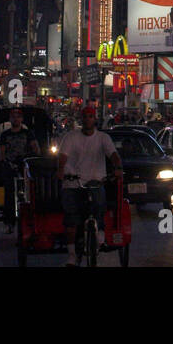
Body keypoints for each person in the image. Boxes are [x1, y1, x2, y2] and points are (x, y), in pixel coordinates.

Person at [56, 105, 121, 267]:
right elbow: (63, 156)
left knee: (100, 205)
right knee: (71, 219)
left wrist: (118, 168)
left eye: (90, 117)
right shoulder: (70, 137)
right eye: (85, 117)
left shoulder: (103, 138)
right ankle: (71, 255)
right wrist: (61, 170)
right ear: (81, 119)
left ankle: (99, 234)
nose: (87, 120)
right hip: (73, 183)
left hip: (95, 182)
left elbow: (113, 154)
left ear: (95, 119)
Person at [0, 107, 39, 228]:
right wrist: (5, 160)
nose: (16, 119)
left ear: (22, 119)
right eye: (13, 117)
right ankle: (8, 221)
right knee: (9, 192)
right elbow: (2, 151)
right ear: (10, 119)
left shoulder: (27, 133)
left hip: (24, 165)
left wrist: (34, 156)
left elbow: (35, 147)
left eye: (18, 117)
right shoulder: (5, 135)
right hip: (10, 165)